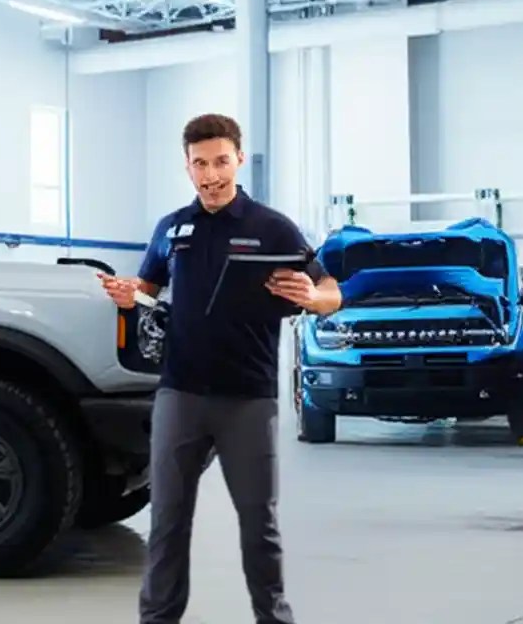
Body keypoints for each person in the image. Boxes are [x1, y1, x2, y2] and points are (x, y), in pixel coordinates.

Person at [98, 113, 342, 624]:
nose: (211, 174)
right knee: (167, 521)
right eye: (200, 164)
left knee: (259, 523)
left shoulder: (272, 228)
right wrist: (129, 294)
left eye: (221, 162)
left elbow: (331, 292)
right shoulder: (172, 229)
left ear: (237, 159)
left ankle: (274, 618)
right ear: (187, 167)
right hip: (180, 395)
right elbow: (149, 289)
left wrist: (313, 297)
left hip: (247, 401)